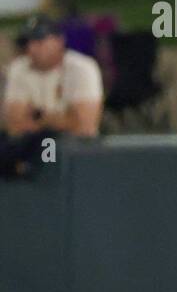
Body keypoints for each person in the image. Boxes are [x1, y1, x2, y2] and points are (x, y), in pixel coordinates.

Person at [1, 15, 103, 177]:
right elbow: (15, 126)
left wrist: (38, 116)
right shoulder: (19, 68)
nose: (32, 49)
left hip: (75, 151)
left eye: (39, 42)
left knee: (47, 144)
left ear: (59, 41)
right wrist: (60, 119)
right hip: (29, 146)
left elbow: (84, 127)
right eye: (28, 43)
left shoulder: (82, 68)